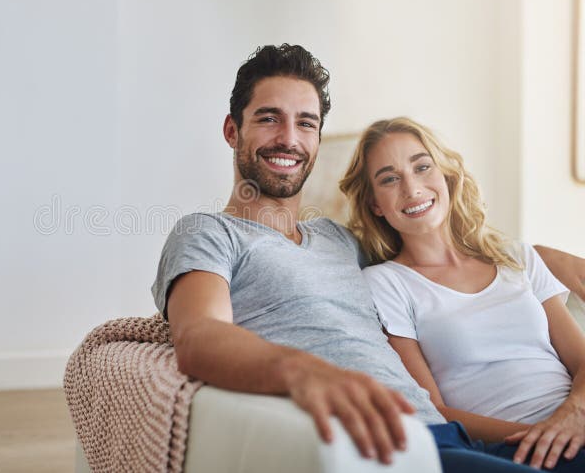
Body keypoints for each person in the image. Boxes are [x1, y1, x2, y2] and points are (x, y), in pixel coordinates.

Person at [152, 43, 585, 472]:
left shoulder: (338, 241)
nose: (288, 138)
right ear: (232, 130)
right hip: (380, 441)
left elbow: (427, 247)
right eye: (269, 119)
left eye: (306, 124)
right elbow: (199, 336)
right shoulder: (208, 232)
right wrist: (303, 371)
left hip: (446, 436)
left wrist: (542, 258)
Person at [339, 116, 585, 470]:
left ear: (447, 175)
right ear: (375, 204)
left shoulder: (516, 255)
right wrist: (540, 435)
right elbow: (434, 409)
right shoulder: (386, 283)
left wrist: (572, 418)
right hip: (513, 447)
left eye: (422, 167)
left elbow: (580, 361)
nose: (412, 188)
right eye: (390, 179)